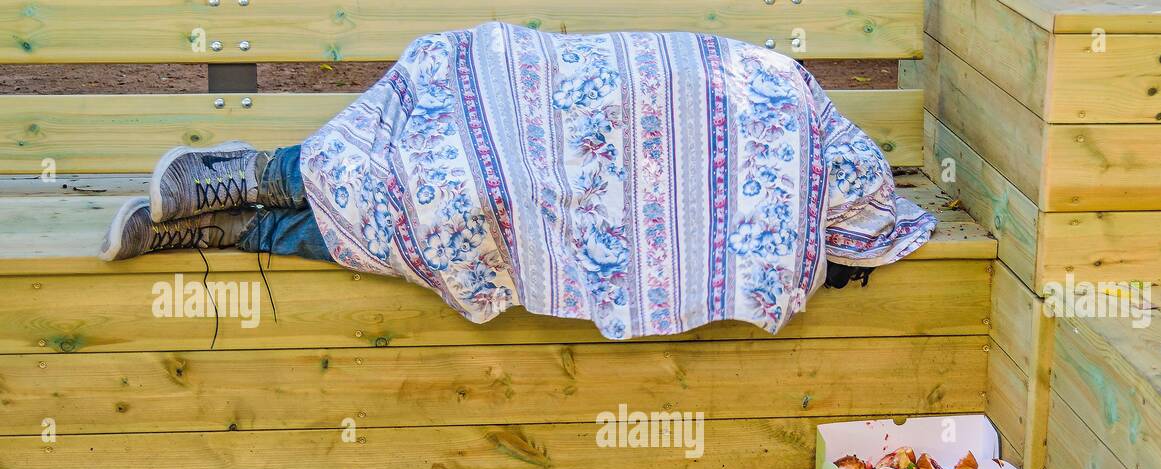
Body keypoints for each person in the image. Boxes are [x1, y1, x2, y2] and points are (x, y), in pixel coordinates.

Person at [102, 22, 935, 340]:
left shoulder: (787, 157)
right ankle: (250, 174)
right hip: (515, 81)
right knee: (438, 149)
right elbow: (643, 68)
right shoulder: (778, 89)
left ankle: (229, 223)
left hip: (555, 179)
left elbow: (747, 249)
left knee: (443, 216)